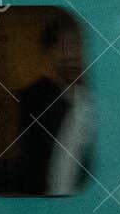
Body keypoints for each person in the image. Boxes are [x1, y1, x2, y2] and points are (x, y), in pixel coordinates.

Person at [15, 15, 93, 195]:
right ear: (49, 52)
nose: (74, 54)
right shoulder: (34, 98)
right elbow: (30, 162)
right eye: (66, 46)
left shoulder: (91, 96)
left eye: (79, 46)